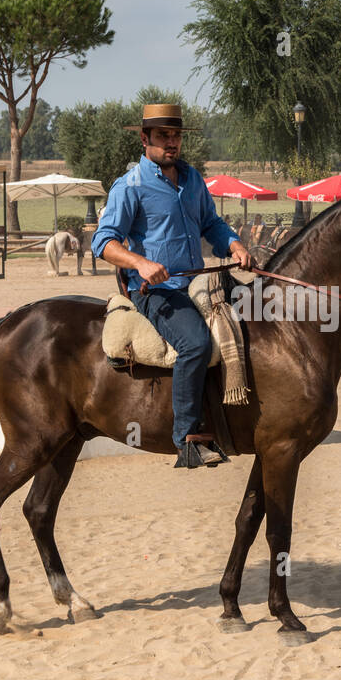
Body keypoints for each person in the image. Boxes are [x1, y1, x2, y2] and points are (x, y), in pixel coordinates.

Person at [91, 104, 253, 469]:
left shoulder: (193, 179)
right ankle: (187, 439)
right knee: (195, 344)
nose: (172, 143)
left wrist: (234, 244)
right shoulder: (130, 185)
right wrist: (141, 264)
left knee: (254, 312)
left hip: (195, 280)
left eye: (176, 135)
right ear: (145, 139)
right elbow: (103, 242)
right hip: (155, 292)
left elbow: (211, 223)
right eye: (163, 136)